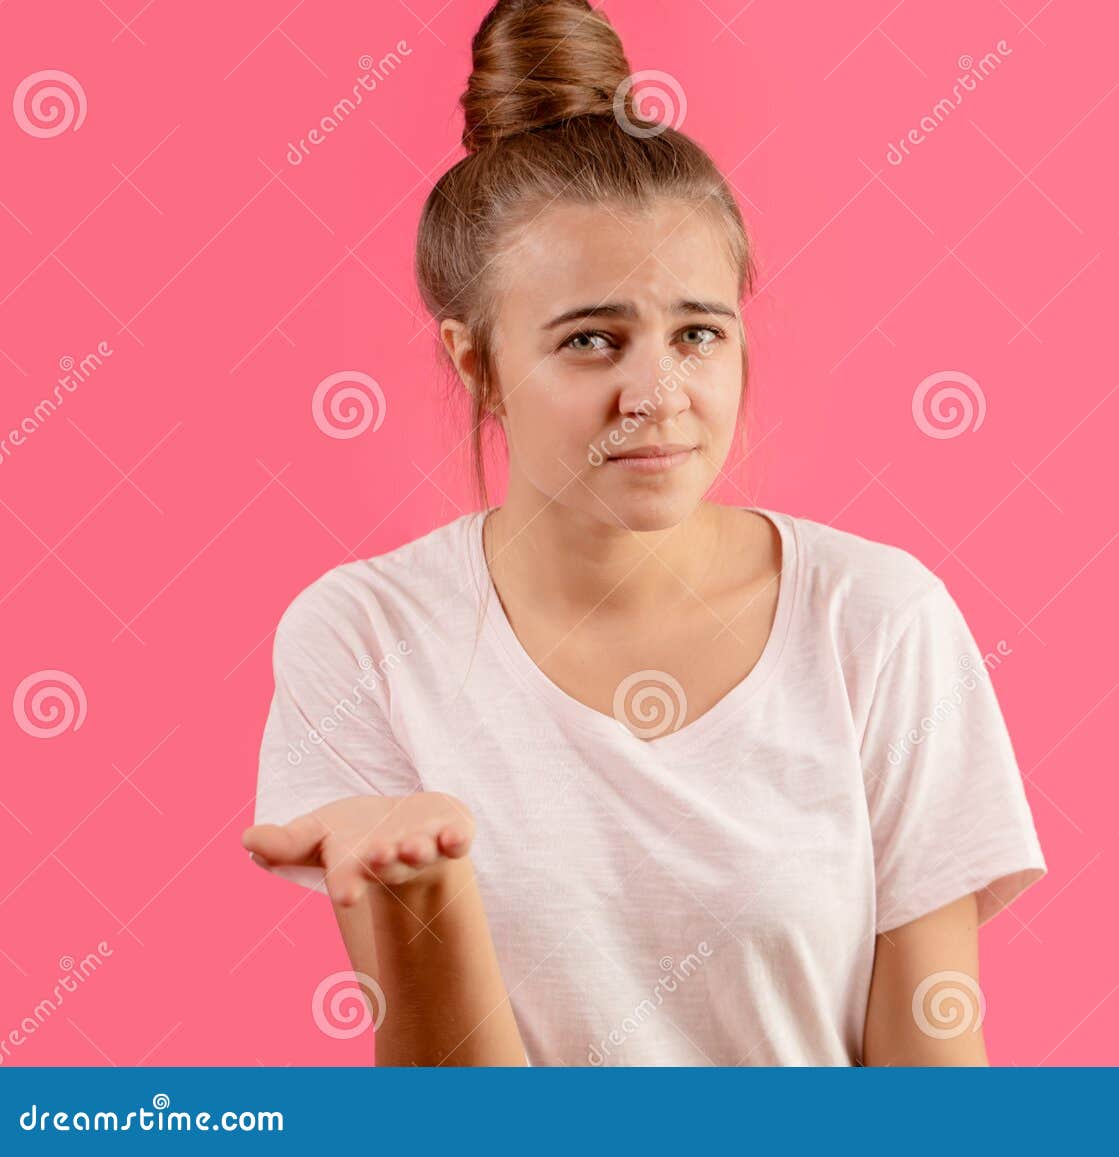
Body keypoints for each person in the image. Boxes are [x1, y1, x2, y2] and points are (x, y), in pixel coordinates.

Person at [241, 0, 1046, 1067]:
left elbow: (936, 1090)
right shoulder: (367, 635)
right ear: (475, 361)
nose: (655, 392)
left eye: (697, 332)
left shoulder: (877, 620)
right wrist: (422, 895)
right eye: (590, 340)